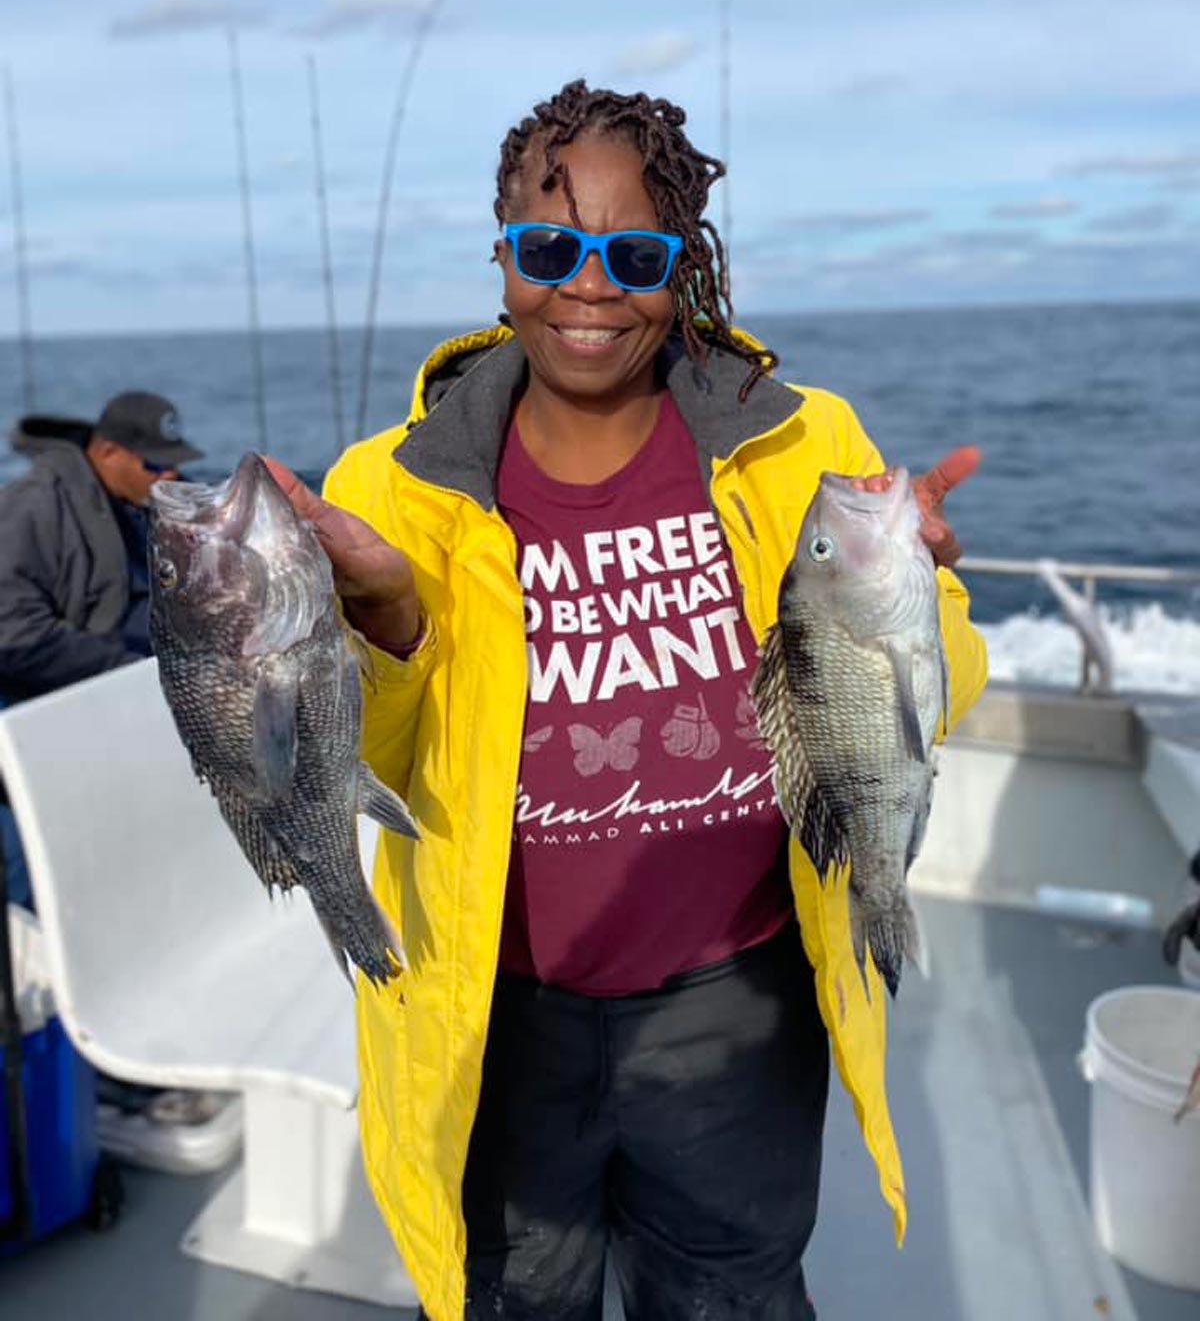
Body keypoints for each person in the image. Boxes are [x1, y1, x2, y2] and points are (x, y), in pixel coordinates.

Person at [269, 79, 989, 1321]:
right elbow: (366, 759)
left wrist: (918, 601)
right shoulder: (392, 484)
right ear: (503, 259)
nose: (590, 289)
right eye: (550, 249)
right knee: (516, 1293)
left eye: (637, 256)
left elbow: (935, 694)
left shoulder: (799, 442)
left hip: (737, 999)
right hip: (501, 1012)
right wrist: (387, 621)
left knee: (728, 1293)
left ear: (685, 265)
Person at [0, 391, 202, 906]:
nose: (170, 475)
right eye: (155, 463)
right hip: (55, 723)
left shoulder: (148, 502)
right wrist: (129, 673)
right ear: (109, 452)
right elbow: (12, 632)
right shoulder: (36, 505)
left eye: (175, 462)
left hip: (152, 708)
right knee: (38, 874)